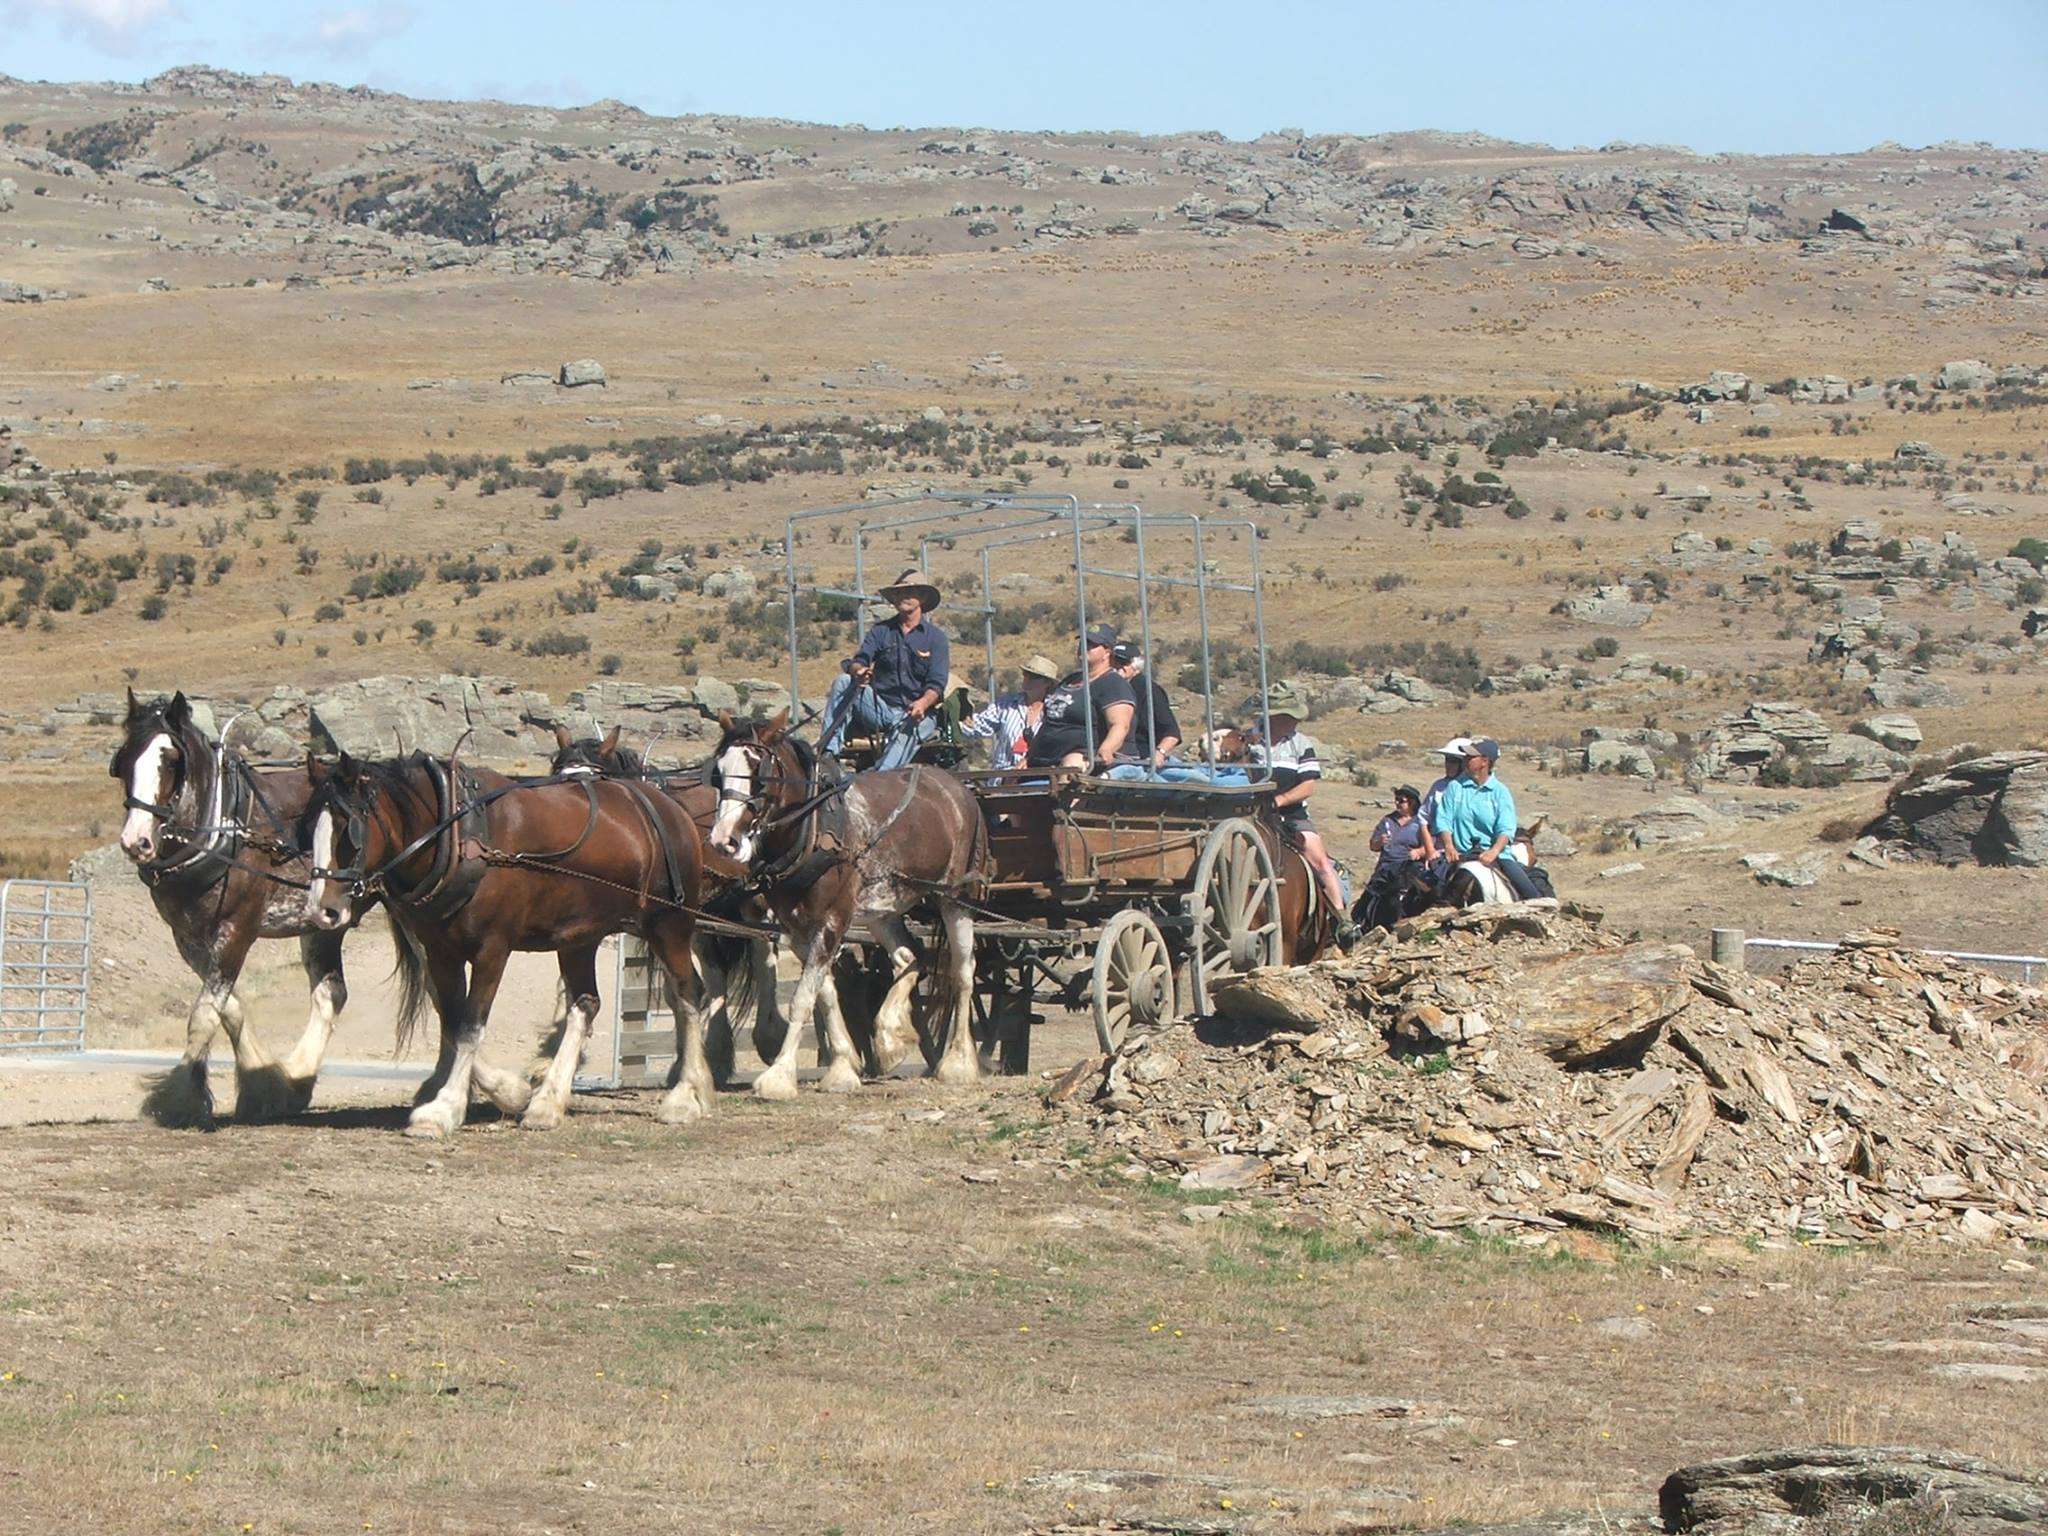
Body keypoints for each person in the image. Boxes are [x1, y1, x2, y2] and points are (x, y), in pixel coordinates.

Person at [820, 568, 950, 770]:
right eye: (898, 593)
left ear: (922, 598)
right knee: (843, 682)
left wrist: (922, 704)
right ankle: (827, 756)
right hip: (881, 709)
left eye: (908, 592)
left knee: (910, 731)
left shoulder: (936, 638)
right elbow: (860, 659)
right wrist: (859, 671)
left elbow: (937, 683)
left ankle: (878, 779)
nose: (902, 597)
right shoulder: (881, 631)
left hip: (917, 714)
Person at [1248, 682, 1347, 918]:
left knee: (1321, 863)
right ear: (1274, 717)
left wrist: (1279, 800)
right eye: (1290, 717)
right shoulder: (1251, 742)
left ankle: (1341, 918)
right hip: (1251, 815)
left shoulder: (1301, 744)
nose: (1295, 722)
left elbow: (1308, 786)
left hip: (1292, 815)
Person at [1432, 737, 1544, 901]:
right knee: (1425, 888)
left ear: (1485, 761)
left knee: (1531, 896)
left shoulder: (1500, 792)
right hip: (1460, 854)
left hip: (1496, 855)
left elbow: (1506, 828)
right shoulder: (1455, 787)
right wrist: (1449, 845)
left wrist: (1494, 851)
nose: (1465, 760)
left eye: (1470, 757)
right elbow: (1443, 819)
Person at [1026, 623, 1135, 770]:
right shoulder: (1069, 680)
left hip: (1078, 760)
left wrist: (1107, 749)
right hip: (1041, 761)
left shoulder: (1113, 684)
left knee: (1071, 766)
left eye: (1092, 644)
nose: (1084, 647)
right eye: (1082, 642)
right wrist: (1028, 757)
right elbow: (1049, 723)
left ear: (1107, 651)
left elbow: (1120, 725)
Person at [961, 654, 1060, 769]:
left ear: (1048, 683)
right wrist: (953, 723)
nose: (1027, 678)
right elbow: (979, 725)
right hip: (1003, 776)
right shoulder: (1005, 705)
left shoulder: (1056, 711)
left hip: (1039, 775)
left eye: (1033, 676)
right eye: (1025, 674)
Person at [1359, 784, 1428, 928]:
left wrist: (1419, 852)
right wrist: (1379, 841)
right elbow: (1373, 846)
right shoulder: (1387, 821)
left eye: (1401, 800)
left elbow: (1430, 846)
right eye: (1396, 800)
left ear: (1412, 802)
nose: (1397, 803)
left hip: (1408, 866)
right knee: (1369, 895)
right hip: (1386, 866)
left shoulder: (1420, 822)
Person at [1110, 641, 1182, 769]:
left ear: (1135, 665)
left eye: (1124, 663)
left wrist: (1160, 753)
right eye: (1113, 662)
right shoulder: (1105, 688)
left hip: (1142, 761)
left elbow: (1171, 732)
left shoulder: (1148, 690)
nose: (1117, 667)